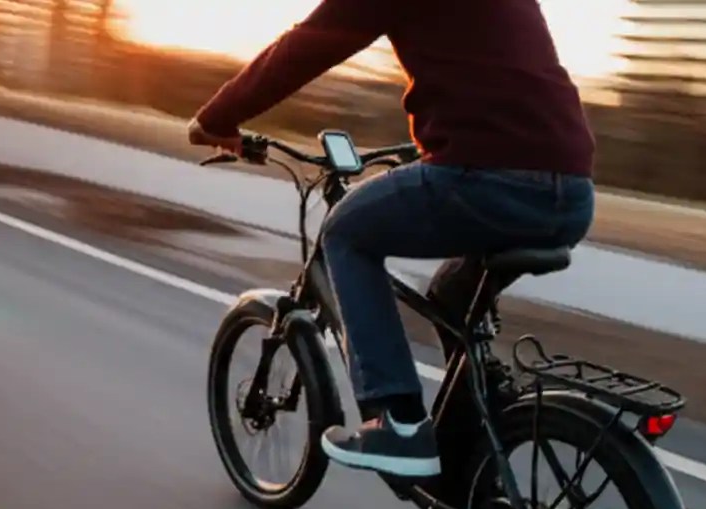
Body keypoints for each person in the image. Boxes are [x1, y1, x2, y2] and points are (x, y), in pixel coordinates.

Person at [187, 0, 596, 481]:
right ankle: (480, 424)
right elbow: (501, 73)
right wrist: (435, 145)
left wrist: (217, 119)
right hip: (570, 192)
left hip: (489, 179)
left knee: (346, 231)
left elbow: (306, 45)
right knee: (451, 292)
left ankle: (399, 423)